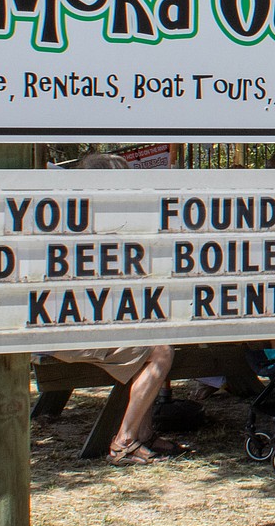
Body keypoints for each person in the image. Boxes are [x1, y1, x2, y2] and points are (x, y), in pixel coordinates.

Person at [48, 152, 180, 465]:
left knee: (154, 335)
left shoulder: (76, 214)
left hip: (78, 325)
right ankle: (125, 441)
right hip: (70, 333)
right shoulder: (98, 224)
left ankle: (143, 433)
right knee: (161, 350)